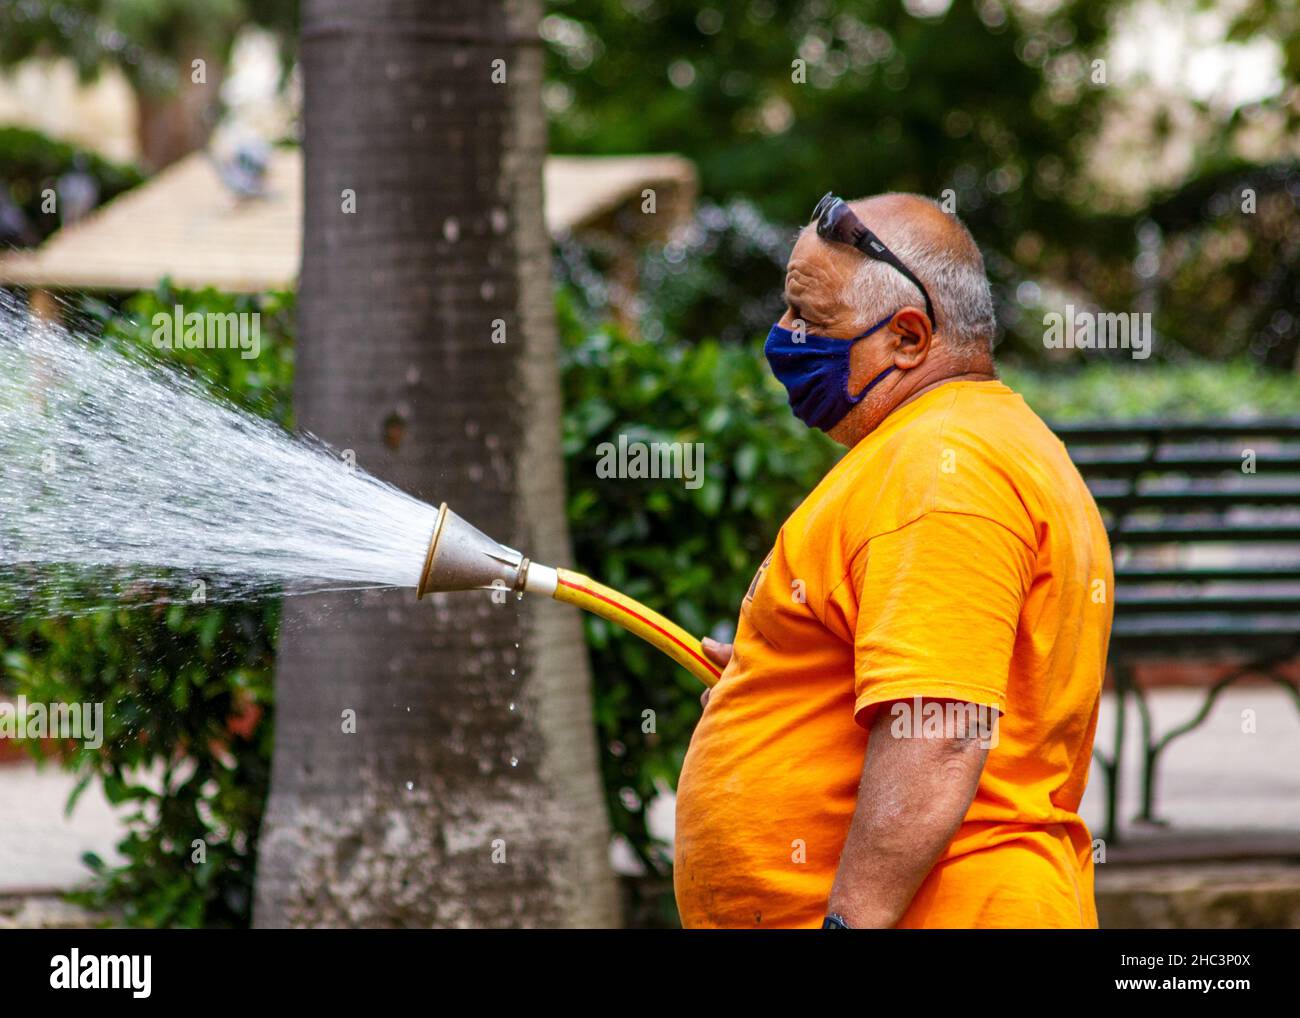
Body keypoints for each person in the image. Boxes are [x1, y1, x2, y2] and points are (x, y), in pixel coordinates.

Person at [674, 192, 1114, 929]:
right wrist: (783, 683)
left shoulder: (944, 466)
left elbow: (939, 729)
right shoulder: (953, 443)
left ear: (909, 337)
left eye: (811, 320)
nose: (783, 338)